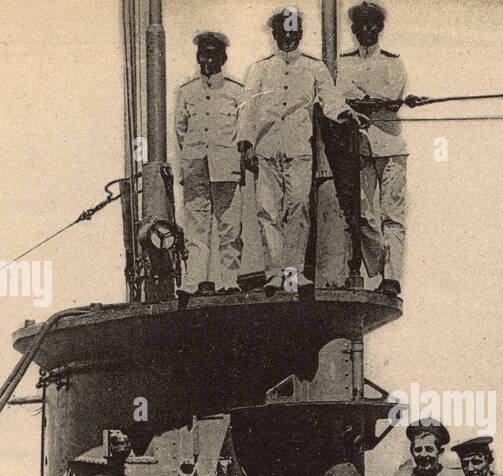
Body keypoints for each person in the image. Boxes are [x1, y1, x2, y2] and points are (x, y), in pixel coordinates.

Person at [236, 8, 365, 292]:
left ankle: (292, 274)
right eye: (283, 34)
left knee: (298, 207)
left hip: (298, 149)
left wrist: (345, 114)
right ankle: (274, 273)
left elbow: (330, 99)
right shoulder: (261, 68)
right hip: (266, 149)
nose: (288, 40)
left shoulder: (314, 67)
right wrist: (246, 145)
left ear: (301, 35)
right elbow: (247, 110)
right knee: (268, 211)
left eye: (294, 34)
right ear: (275, 35)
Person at [337, 1, 408, 296]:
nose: (365, 31)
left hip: (390, 145)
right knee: (365, 214)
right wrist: (363, 99)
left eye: (370, 25)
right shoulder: (343, 62)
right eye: (359, 26)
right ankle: (378, 268)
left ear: (379, 28)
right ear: (354, 30)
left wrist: (359, 98)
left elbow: (392, 95)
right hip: (360, 146)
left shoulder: (393, 62)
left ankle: (390, 278)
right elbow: (338, 93)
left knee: (392, 213)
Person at [175, 30, 244, 294]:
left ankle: (229, 281)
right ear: (198, 57)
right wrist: (192, 157)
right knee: (196, 228)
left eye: (213, 55)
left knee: (229, 227)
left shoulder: (236, 92)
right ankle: (194, 280)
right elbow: (181, 129)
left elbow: (241, 129)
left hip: (226, 167)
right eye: (204, 55)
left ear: (223, 58)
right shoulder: (186, 91)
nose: (208, 60)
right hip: (195, 166)